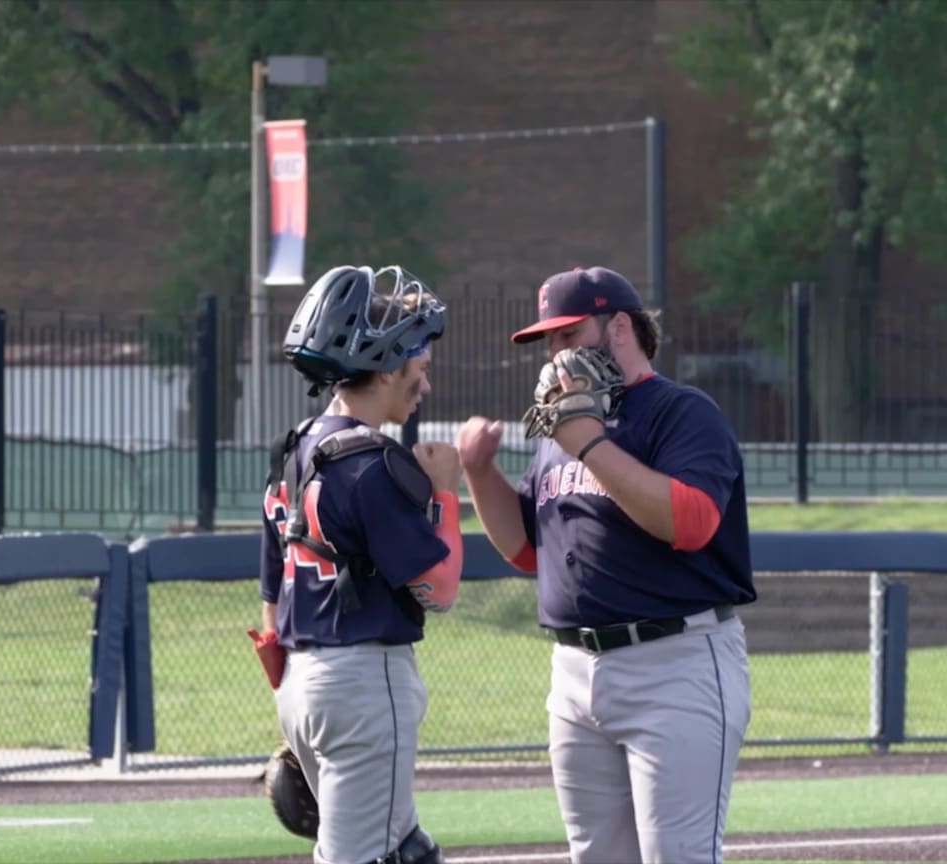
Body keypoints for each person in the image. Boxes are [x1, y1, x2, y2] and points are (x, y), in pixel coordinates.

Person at [456, 266, 756, 863]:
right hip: (574, 672)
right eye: (549, 342)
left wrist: (590, 444)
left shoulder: (680, 412)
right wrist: (478, 473)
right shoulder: (565, 425)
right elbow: (527, 552)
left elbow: (690, 523)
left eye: (568, 336)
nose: (555, 355)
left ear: (619, 327)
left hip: (675, 662)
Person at [252, 264, 461, 864]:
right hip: (364, 683)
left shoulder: (292, 450)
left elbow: (271, 599)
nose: (422, 385)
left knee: (404, 850)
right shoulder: (375, 462)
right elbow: (439, 589)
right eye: (417, 369)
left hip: (300, 682)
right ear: (388, 365)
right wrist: (445, 492)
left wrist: (299, 696)